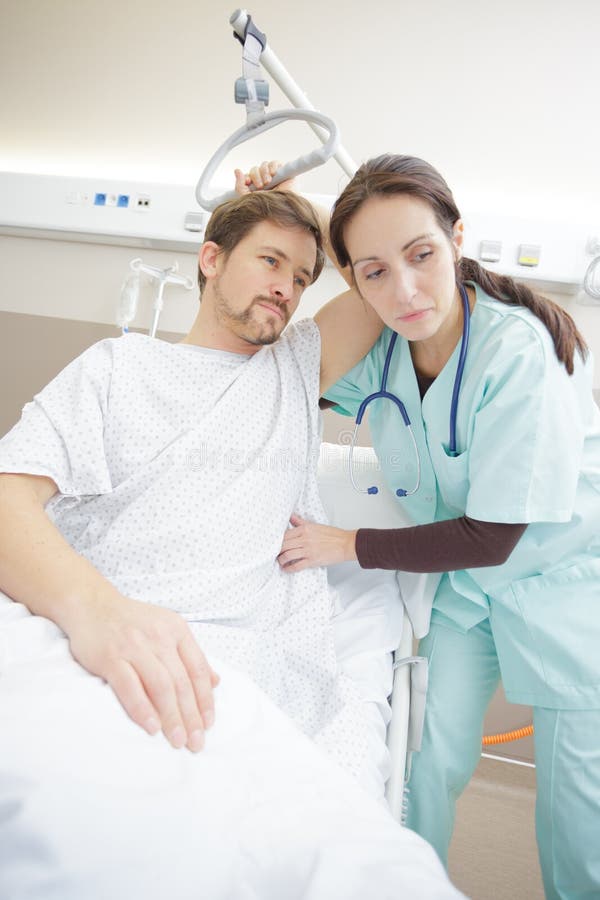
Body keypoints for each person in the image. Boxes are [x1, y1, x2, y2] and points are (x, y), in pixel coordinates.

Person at [0, 185, 464, 898]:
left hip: (230, 657)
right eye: (269, 260)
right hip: (86, 627)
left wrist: (297, 204)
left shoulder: (295, 368)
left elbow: (375, 273)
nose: (286, 288)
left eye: (303, 277)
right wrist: (98, 613)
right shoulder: (116, 370)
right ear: (210, 258)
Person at [278, 154, 600, 900]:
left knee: (575, 814)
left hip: (565, 585)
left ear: (457, 238)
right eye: (375, 272)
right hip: (467, 590)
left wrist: (344, 544)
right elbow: (290, 384)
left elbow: (493, 535)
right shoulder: (383, 348)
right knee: (422, 764)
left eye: (422, 256)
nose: (406, 290)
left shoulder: (518, 353)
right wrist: (287, 231)